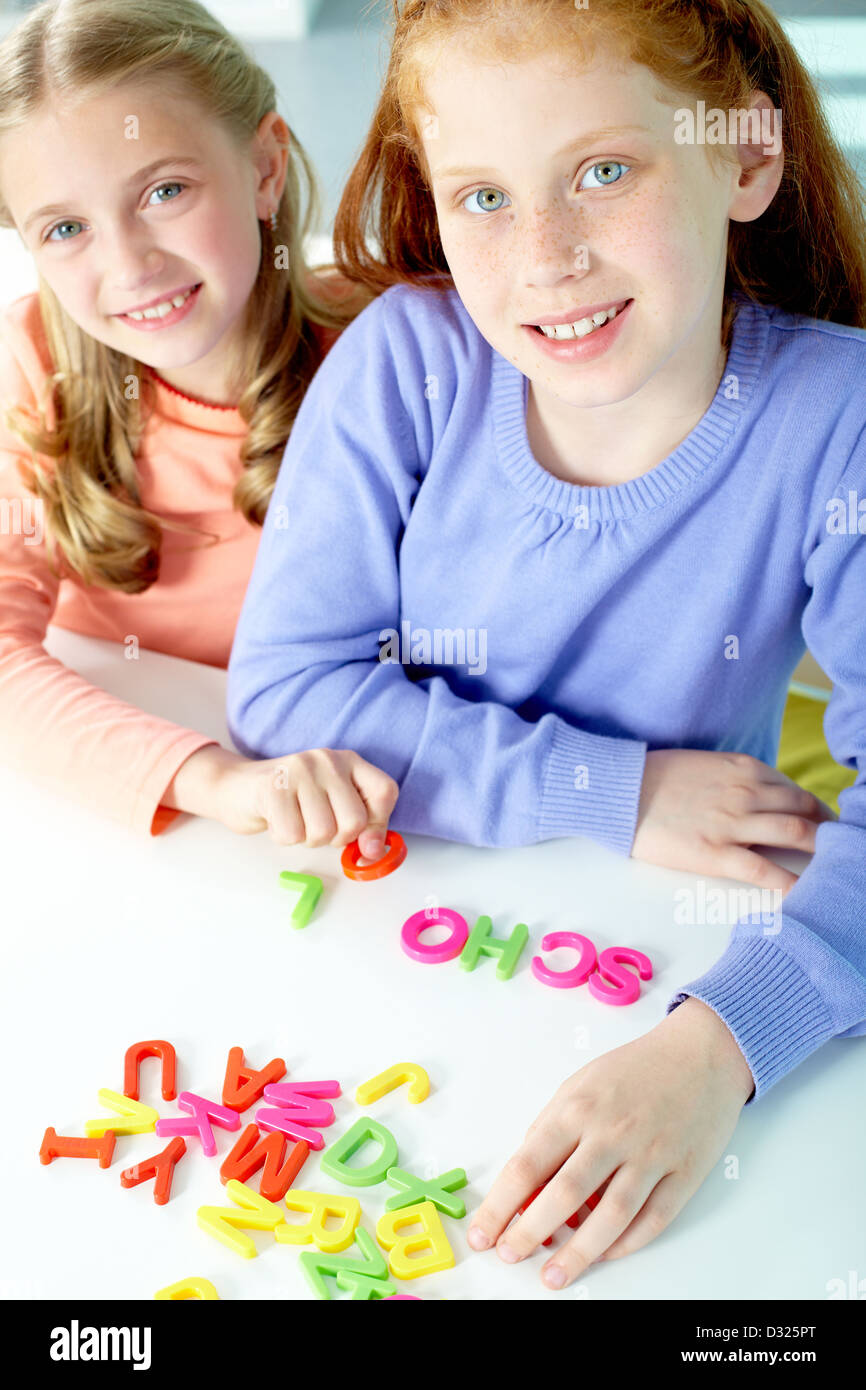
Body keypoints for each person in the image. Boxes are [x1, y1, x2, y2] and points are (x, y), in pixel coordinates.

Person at [226, 0, 866, 1290]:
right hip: (382, 953)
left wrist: (717, 1050)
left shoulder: (835, 416)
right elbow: (287, 693)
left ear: (742, 158)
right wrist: (607, 788)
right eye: (481, 197)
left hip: (651, 960)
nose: (545, 259)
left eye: (603, 171)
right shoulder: (402, 365)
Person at [0, 0, 397, 857]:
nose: (129, 264)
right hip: (168, 823)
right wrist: (211, 777)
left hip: (367, 804)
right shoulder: (31, 363)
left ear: (264, 165)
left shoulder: (390, 353)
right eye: (65, 228)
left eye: (164, 191)